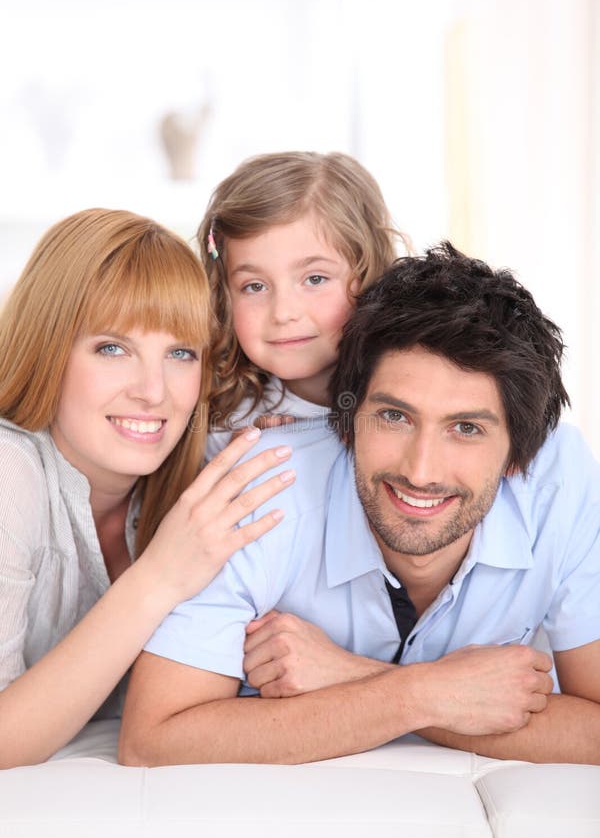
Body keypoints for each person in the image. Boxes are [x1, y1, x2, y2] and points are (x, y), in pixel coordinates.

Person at [119, 243, 600, 768]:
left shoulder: (561, 483)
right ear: (346, 423)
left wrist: (350, 675)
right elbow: (154, 738)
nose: (421, 471)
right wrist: (422, 695)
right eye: (394, 417)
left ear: (517, 457)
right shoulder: (262, 487)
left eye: (466, 428)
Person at [0, 208, 295, 770]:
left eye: (180, 353)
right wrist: (158, 578)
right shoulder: (9, 473)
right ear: (47, 347)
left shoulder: (191, 481)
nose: (153, 391)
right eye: (113, 348)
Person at [197, 151, 409, 458]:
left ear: (368, 275)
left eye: (315, 279)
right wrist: (235, 465)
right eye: (255, 286)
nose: (283, 313)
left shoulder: (416, 398)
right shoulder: (223, 429)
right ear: (224, 296)